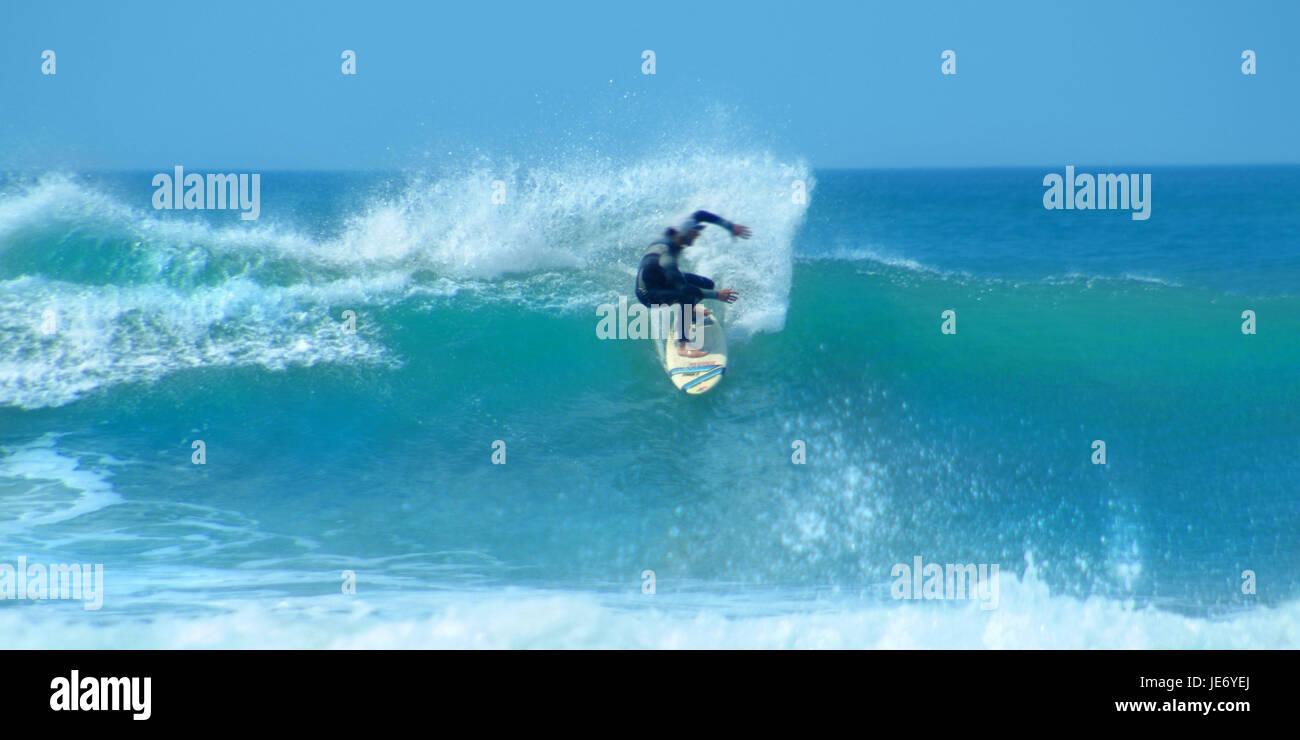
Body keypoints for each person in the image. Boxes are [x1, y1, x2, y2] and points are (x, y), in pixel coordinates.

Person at [634, 210, 752, 357]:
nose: (698, 234)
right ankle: (683, 346)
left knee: (706, 284)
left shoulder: (673, 236)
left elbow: (700, 214)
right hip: (649, 294)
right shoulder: (668, 256)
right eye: (695, 231)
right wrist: (716, 295)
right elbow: (683, 288)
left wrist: (731, 227)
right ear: (684, 233)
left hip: (662, 279)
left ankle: (690, 312)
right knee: (687, 296)